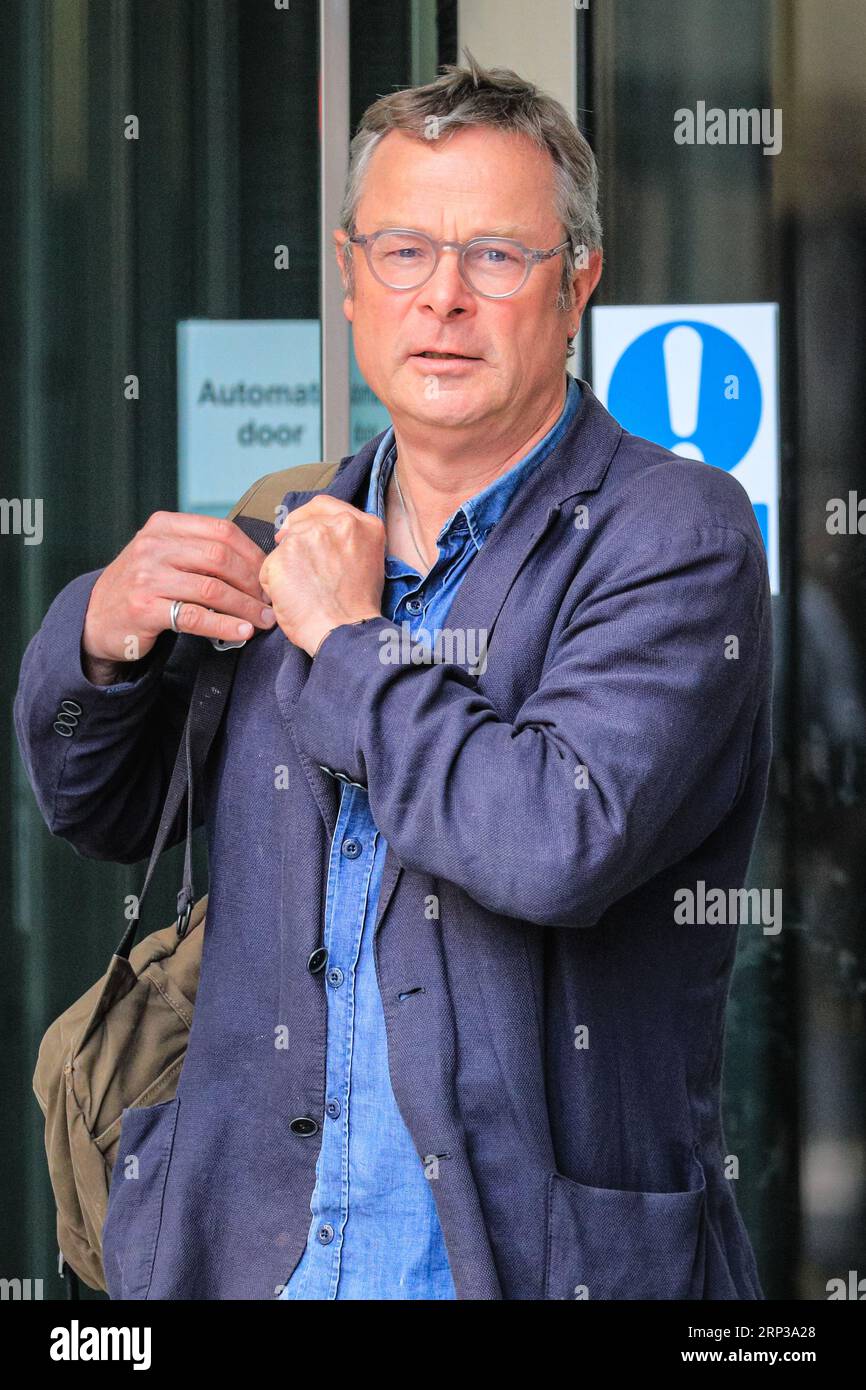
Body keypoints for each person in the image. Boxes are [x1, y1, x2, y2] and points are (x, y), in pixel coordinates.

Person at [14, 51, 771, 1300]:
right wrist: (97, 632)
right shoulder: (287, 524)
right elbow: (99, 810)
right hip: (248, 1256)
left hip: (523, 1262)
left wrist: (350, 641)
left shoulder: (671, 532)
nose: (443, 301)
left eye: (496, 256)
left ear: (577, 282)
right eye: (404, 252)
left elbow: (558, 838)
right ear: (351, 279)